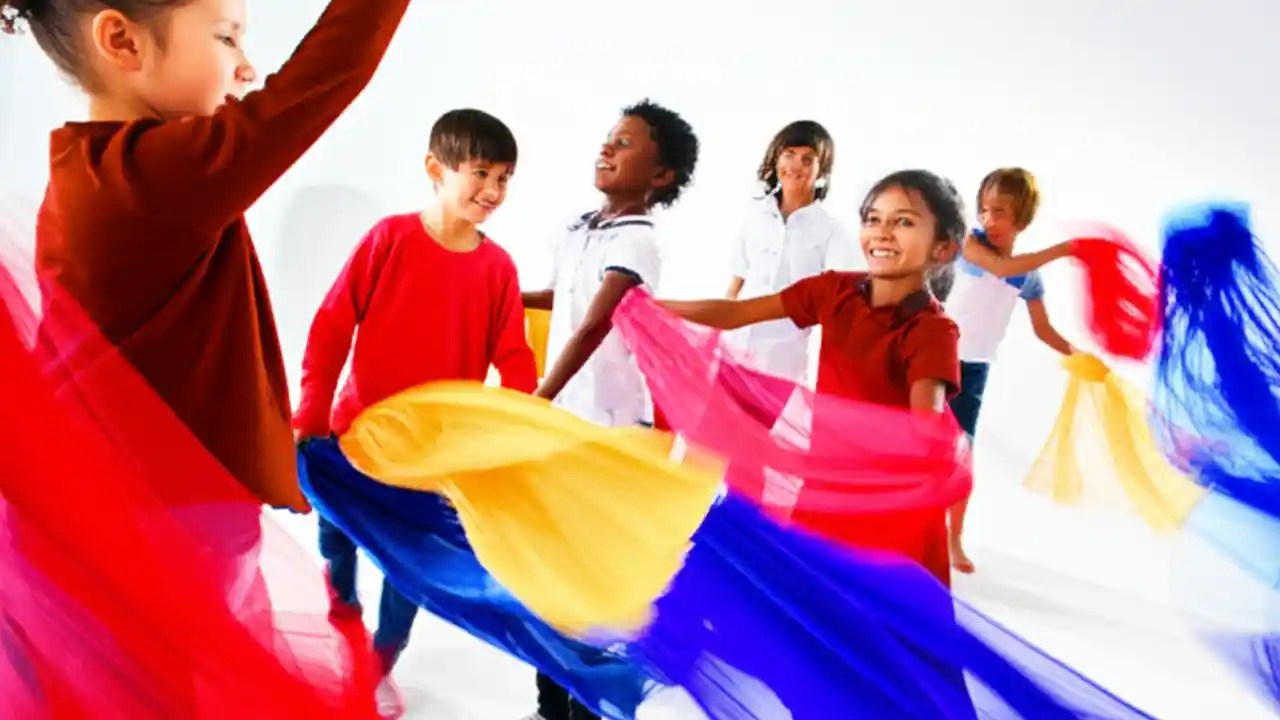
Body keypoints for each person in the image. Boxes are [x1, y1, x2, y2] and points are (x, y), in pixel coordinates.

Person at [293, 108, 536, 718]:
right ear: (436, 168)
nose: (493, 190)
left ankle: (379, 664)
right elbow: (332, 325)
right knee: (336, 536)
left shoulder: (498, 268)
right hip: (356, 434)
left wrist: (514, 436)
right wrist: (312, 414)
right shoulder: (390, 239)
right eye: (481, 172)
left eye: (504, 178)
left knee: (412, 567)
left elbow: (514, 358)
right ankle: (343, 610)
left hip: (434, 456)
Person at [659, 169, 965, 588]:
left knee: (865, 607)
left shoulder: (932, 330)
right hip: (825, 488)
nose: (883, 232)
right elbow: (737, 313)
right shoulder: (834, 291)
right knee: (803, 594)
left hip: (885, 502)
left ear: (942, 248)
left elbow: (924, 427)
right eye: (873, 219)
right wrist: (654, 306)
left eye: (904, 222)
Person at [520, 98, 699, 720]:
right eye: (608, 138)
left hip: (610, 434)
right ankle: (550, 705)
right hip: (564, 427)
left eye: (625, 143)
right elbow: (560, 297)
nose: (607, 147)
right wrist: (492, 288)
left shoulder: (638, 241)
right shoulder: (580, 228)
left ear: (660, 175)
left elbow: (594, 324)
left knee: (590, 578)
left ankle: (590, 706)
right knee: (549, 572)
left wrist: (540, 397)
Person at [944, 167, 1074, 573]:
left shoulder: (1028, 276)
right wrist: (1064, 249)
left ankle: (952, 538)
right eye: (984, 210)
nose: (989, 220)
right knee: (913, 443)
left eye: (999, 212)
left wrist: (1076, 355)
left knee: (961, 458)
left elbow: (1043, 329)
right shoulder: (968, 245)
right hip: (935, 356)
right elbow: (999, 268)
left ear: (1022, 218)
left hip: (974, 371)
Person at [725, 120, 855, 384]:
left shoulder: (831, 230)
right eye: (789, 154)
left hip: (783, 365)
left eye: (807, 160)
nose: (796, 166)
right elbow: (735, 286)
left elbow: (838, 306)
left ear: (822, 170)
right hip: (733, 355)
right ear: (776, 159)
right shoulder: (753, 219)